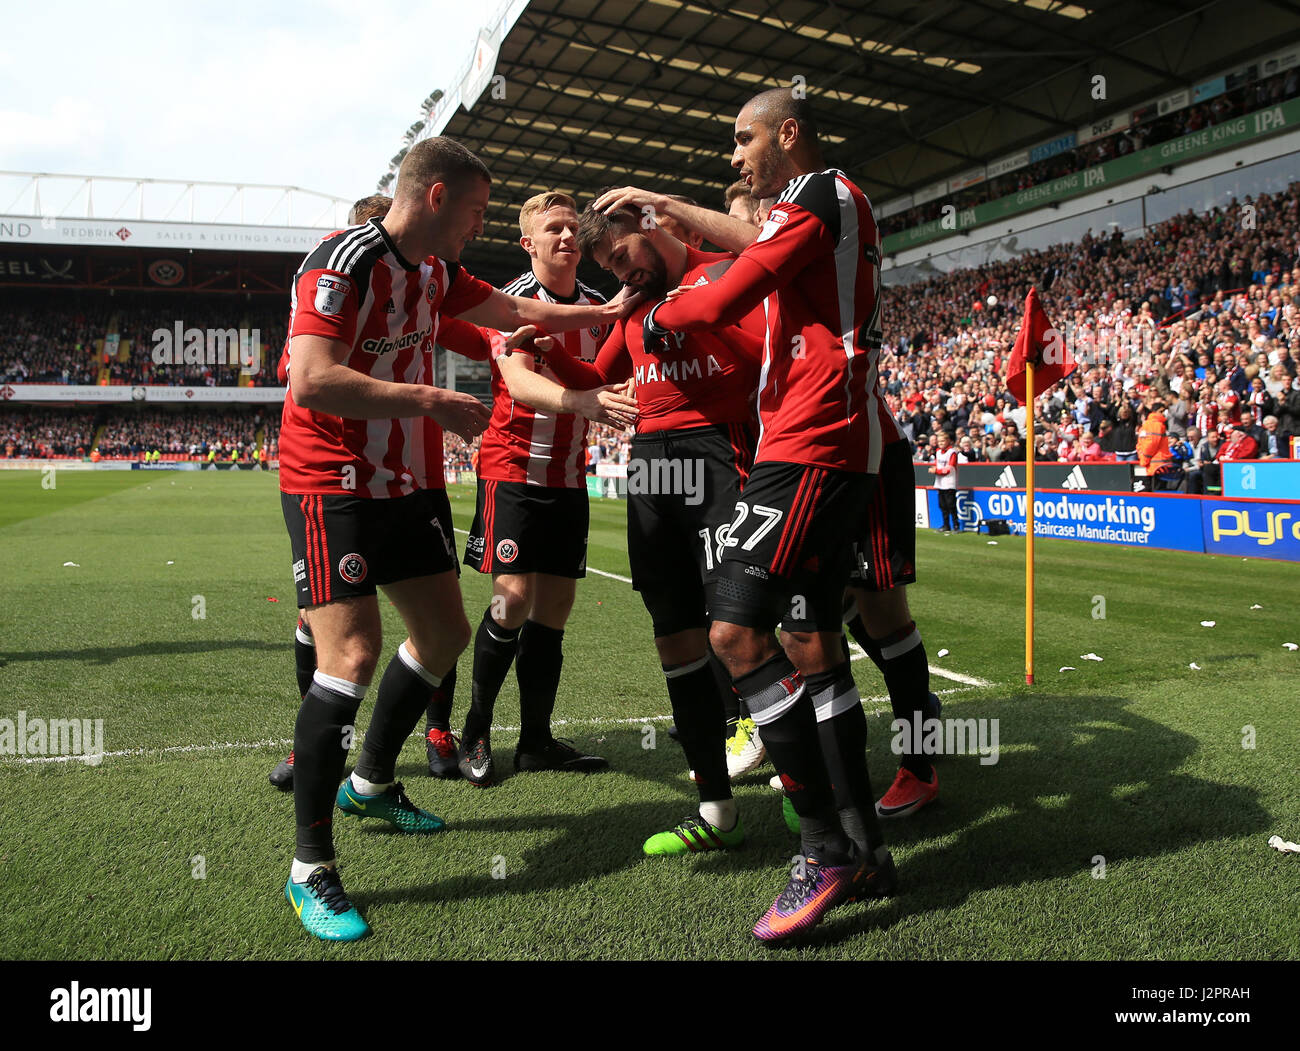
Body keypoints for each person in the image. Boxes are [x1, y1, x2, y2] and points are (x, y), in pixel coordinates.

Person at [278, 137, 631, 941]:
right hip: (331, 476)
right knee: (352, 655)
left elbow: (515, 315)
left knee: (443, 634)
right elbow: (312, 377)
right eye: (476, 211)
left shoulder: (435, 275)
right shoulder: (342, 263)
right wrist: (431, 400)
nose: (481, 227)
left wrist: (599, 313)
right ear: (436, 197)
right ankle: (311, 866)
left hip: (412, 481)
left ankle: (368, 782)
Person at [602, 89, 896, 942]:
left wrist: (656, 315)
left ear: (789, 135)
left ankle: (822, 847)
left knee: (734, 634)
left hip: (811, 445)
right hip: (811, 441)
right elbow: (746, 241)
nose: (735, 155)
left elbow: (724, 297)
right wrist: (669, 212)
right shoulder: (819, 207)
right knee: (810, 636)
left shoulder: (822, 193)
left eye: (744, 139)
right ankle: (865, 845)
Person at [523, 195, 766, 854]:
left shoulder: (721, 275)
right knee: (677, 640)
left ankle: (812, 796)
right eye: (607, 266)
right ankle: (717, 810)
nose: (620, 274)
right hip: (652, 473)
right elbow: (600, 378)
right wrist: (546, 352)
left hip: (721, 454)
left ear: (647, 226)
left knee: (738, 633)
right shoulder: (632, 309)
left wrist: (673, 316)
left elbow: (751, 356)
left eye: (621, 256)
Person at [457, 191, 618, 787]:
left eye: (573, 227)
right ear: (528, 243)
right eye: (553, 229)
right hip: (514, 472)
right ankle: (476, 727)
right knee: (512, 600)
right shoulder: (513, 306)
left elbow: (611, 373)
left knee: (553, 610)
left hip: (569, 480)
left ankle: (534, 742)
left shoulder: (600, 307)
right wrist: (583, 400)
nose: (567, 237)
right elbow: (520, 383)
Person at [931, 430, 962, 532]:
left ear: (948, 441)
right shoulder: (938, 452)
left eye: (942, 441)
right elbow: (937, 464)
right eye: (939, 441)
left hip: (949, 482)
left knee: (951, 505)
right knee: (942, 505)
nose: (940, 443)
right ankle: (946, 525)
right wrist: (934, 469)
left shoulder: (952, 452)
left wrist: (937, 471)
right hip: (940, 483)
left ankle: (956, 525)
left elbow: (949, 468)